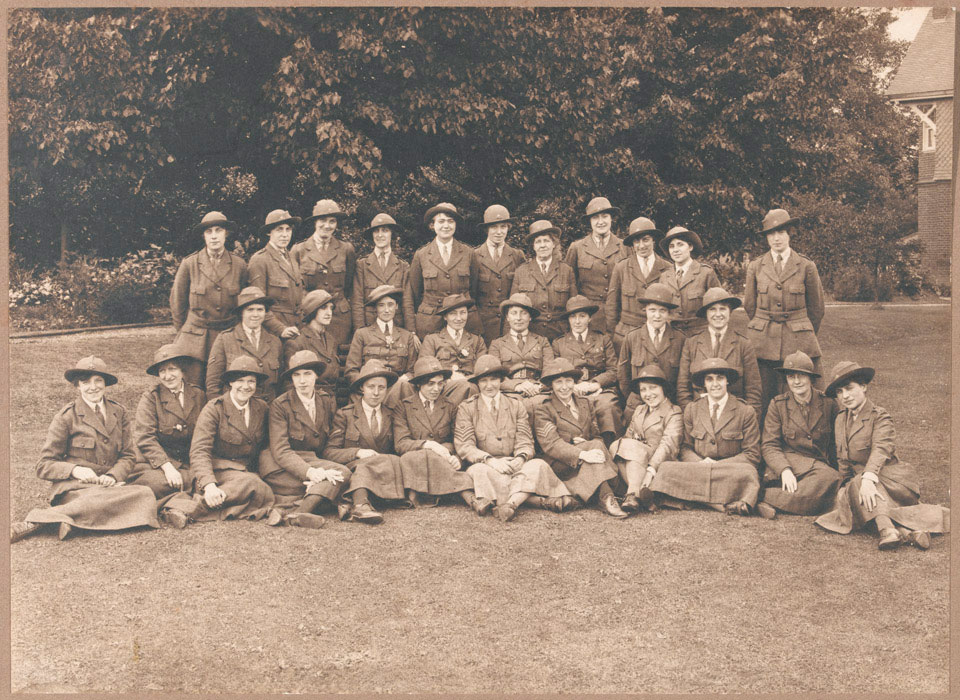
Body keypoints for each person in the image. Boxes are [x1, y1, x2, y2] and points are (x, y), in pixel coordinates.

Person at [11, 356, 160, 543]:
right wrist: (75, 470)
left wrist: (113, 476)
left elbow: (128, 455)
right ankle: (36, 521)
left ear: (105, 384)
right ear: (77, 386)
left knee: (144, 493)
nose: (93, 387)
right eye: (86, 382)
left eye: (98, 380)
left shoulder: (118, 412)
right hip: (77, 488)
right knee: (100, 498)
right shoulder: (66, 417)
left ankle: (71, 522)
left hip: (109, 485)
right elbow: (44, 465)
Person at [814, 361, 950, 550]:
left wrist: (868, 478)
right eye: (839, 392)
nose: (845, 396)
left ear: (863, 386)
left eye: (849, 388)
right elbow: (842, 459)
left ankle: (887, 531)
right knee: (852, 495)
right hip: (862, 485)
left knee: (861, 487)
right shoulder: (840, 420)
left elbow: (881, 449)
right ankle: (906, 532)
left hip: (891, 481)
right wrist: (844, 487)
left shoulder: (880, 416)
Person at [454, 355, 572, 522]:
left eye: (494, 380)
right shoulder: (467, 408)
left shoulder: (516, 404)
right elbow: (465, 446)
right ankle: (529, 500)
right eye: (484, 381)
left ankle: (509, 504)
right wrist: (491, 461)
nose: (489, 386)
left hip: (515, 465)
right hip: (487, 465)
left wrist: (520, 458)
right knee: (477, 472)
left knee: (538, 465)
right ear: (477, 384)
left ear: (501, 381)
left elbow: (525, 439)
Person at [163, 356, 278, 526]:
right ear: (230, 383)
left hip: (247, 470)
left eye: (251, 381)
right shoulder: (214, 409)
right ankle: (189, 508)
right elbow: (199, 451)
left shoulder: (261, 407)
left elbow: (269, 445)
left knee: (269, 486)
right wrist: (209, 485)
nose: (245, 387)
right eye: (240, 380)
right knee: (255, 486)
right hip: (218, 470)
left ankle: (179, 509)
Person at [744, 208, 826, 423]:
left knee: (800, 395)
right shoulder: (756, 266)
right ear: (766, 238)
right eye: (771, 233)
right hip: (763, 343)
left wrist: (800, 329)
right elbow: (750, 306)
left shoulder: (806, 266)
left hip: (798, 340)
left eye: (781, 232)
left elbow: (816, 309)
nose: (776, 238)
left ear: (789, 233)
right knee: (763, 396)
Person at [649, 358, 761, 515]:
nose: (715, 384)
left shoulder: (745, 411)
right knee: (666, 468)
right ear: (704, 384)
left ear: (727, 381)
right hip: (698, 468)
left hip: (727, 471)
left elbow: (752, 454)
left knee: (749, 473)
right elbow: (685, 448)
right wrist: (701, 463)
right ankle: (720, 504)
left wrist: (717, 466)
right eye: (710, 379)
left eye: (720, 378)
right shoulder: (692, 409)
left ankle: (688, 498)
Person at [258, 350, 349, 529]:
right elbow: (281, 451)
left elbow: (330, 439)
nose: (302, 381)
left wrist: (321, 469)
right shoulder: (280, 405)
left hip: (313, 461)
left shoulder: (326, 400)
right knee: (337, 480)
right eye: (296, 375)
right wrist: (311, 473)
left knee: (343, 473)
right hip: (281, 466)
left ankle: (294, 511)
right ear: (291, 379)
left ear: (316, 376)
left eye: (307, 374)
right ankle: (317, 503)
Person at [533, 359, 627, 518]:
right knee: (595, 446)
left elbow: (595, 434)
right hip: (560, 463)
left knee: (596, 443)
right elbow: (551, 445)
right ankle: (612, 494)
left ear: (575, 382)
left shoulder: (585, 403)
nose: (564, 387)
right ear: (552, 385)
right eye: (559, 382)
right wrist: (581, 453)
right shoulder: (544, 408)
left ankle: (599, 493)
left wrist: (585, 445)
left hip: (588, 460)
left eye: (568, 381)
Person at [755, 351, 841, 519]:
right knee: (830, 480)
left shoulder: (828, 404)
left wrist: (843, 471)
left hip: (818, 465)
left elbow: (836, 444)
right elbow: (769, 445)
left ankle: (766, 500)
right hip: (789, 460)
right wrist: (784, 470)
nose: (796, 381)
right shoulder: (778, 405)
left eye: (801, 376)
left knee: (833, 482)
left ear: (810, 378)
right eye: (791, 376)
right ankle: (767, 498)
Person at [168, 210, 248, 386]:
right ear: (203, 236)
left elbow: (245, 304)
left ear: (226, 233)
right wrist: (185, 333)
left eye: (218, 230)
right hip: (196, 338)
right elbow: (177, 303)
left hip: (228, 335)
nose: (214, 236)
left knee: (227, 386)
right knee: (194, 386)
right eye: (208, 232)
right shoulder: (190, 264)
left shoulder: (239, 265)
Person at [131, 344, 207, 523]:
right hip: (158, 463)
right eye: (162, 371)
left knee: (206, 480)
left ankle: (174, 507)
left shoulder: (198, 395)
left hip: (191, 461)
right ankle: (183, 504)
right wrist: (168, 467)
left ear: (182, 370)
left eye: (172, 369)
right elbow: (145, 437)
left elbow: (205, 433)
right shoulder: (151, 398)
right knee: (160, 484)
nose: (168, 376)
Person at [324, 360, 406, 524]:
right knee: (362, 466)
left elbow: (398, 446)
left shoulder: (392, 414)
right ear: (361, 388)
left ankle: (351, 503)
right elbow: (329, 452)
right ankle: (361, 505)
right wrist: (358, 452)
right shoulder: (345, 414)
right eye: (371, 387)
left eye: (381, 387)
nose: (376, 393)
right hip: (355, 470)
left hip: (382, 473)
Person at [394, 357, 480, 510]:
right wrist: (429, 445)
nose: (436, 389)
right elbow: (401, 444)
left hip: (443, 458)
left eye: (440, 383)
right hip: (416, 461)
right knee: (419, 456)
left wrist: (456, 457)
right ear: (419, 384)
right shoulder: (404, 407)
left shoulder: (450, 406)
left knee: (435, 458)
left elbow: (458, 439)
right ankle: (468, 496)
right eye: (430, 384)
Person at [676, 287, 762, 415]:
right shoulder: (691, 343)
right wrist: (691, 416)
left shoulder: (743, 344)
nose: (718, 314)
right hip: (699, 415)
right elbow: (683, 389)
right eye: (712, 309)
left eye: (723, 309)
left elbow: (753, 391)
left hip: (734, 416)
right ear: (706, 313)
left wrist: (746, 422)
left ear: (730, 312)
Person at [609, 365, 683, 513]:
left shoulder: (674, 412)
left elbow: (668, 446)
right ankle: (642, 495)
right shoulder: (639, 410)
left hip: (657, 464)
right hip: (635, 462)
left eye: (653, 388)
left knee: (628, 447)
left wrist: (650, 470)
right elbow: (627, 437)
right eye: (643, 390)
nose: (648, 394)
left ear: (663, 388)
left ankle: (633, 493)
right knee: (616, 445)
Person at [405, 202, 482, 340]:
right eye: (441, 221)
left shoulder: (468, 253)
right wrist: (411, 328)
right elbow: (413, 294)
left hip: (463, 321)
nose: (446, 226)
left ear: (456, 225)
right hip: (430, 323)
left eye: (450, 221)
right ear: (432, 225)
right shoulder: (421, 255)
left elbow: (474, 289)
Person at [551, 295, 622, 441]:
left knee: (608, 406)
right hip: (570, 391)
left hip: (599, 390)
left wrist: (594, 384)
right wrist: (572, 387)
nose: (577, 321)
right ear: (568, 320)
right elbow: (554, 373)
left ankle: (612, 447)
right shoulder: (559, 343)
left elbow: (614, 371)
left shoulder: (603, 339)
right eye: (573, 317)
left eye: (582, 316)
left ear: (589, 319)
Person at [291, 199, 357, 349]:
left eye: (332, 221)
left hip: (339, 317)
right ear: (314, 222)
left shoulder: (346, 249)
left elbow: (349, 285)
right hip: (310, 316)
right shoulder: (299, 250)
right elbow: (296, 288)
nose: (327, 226)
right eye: (322, 220)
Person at [617, 282, 685, 424]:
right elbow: (623, 376)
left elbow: (683, 378)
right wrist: (637, 397)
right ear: (645, 310)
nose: (657, 316)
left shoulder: (680, 339)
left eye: (662, 311)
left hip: (669, 407)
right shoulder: (632, 337)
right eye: (652, 310)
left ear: (668, 313)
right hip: (637, 406)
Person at [344, 285, 420, 409]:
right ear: (375, 309)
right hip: (370, 392)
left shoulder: (406, 336)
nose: (386, 310)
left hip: (398, 392)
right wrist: (367, 386)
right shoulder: (362, 334)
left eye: (390, 305)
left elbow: (412, 371)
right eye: (381, 305)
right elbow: (351, 371)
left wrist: (403, 380)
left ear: (396, 306)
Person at [205, 286, 283, 402]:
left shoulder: (275, 342)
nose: (255, 314)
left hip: (268, 410)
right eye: (250, 310)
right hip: (236, 409)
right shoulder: (225, 339)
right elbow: (213, 384)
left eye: (260, 310)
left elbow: (280, 385)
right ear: (241, 312)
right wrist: (221, 411)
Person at [605, 217, 671, 353]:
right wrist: (614, 335)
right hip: (625, 336)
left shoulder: (667, 268)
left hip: (657, 335)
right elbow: (612, 307)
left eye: (645, 239)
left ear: (654, 240)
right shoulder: (621, 268)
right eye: (636, 241)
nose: (641, 246)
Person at [565, 196, 628, 335]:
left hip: (619, 317)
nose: (600, 222)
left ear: (611, 218)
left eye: (605, 216)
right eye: (595, 218)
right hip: (588, 318)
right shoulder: (577, 248)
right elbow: (570, 284)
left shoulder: (625, 247)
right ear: (589, 221)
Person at [510, 220, 577, 341]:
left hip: (561, 335)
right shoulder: (521, 271)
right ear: (533, 246)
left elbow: (574, 309)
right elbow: (512, 310)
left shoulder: (566, 270)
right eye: (538, 242)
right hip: (531, 335)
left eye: (546, 241)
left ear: (553, 244)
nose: (542, 245)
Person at [487, 292, 555, 411]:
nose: (518, 318)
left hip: (538, 392)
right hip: (510, 393)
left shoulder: (542, 342)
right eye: (514, 313)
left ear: (530, 317)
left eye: (523, 313)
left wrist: (538, 386)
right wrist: (516, 386)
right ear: (507, 317)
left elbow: (549, 371)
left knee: (541, 408)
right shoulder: (497, 344)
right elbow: (494, 376)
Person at [248, 209, 306, 340]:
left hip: (296, 330)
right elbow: (257, 304)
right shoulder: (259, 260)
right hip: (272, 334)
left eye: (288, 229)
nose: (285, 235)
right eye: (279, 230)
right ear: (269, 232)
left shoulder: (292, 257)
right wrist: (280, 329)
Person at [418, 293, 486, 404]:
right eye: (453, 314)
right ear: (445, 317)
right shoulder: (432, 339)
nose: (459, 318)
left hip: (470, 387)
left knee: (470, 388)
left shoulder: (477, 340)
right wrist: (448, 377)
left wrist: (466, 379)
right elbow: (425, 370)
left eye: (463, 313)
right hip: (443, 388)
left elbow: (483, 371)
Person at [473, 204, 526, 345]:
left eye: (503, 227)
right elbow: (471, 293)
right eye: (494, 227)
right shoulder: (475, 256)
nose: (499, 232)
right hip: (483, 324)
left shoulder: (517, 256)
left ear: (508, 228)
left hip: (510, 322)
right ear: (486, 229)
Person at [657, 226, 720, 337]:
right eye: (671, 246)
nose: (675, 250)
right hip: (672, 337)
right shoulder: (664, 276)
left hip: (700, 336)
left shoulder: (706, 273)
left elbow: (719, 307)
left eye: (680, 244)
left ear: (690, 246)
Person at [352, 212, 409, 330]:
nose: (380, 235)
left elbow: (407, 302)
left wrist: (411, 331)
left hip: (396, 326)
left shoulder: (402, 266)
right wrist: (360, 330)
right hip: (369, 325)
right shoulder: (362, 265)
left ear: (392, 234)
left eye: (385, 230)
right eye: (376, 231)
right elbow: (357, 301)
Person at [282, 289, 341, 392]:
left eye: (331, 308)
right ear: (312, 310)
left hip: (331, 401)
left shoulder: (331, 339)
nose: (329, 313)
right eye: (323, 308)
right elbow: (290, 384)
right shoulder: (297, 342)